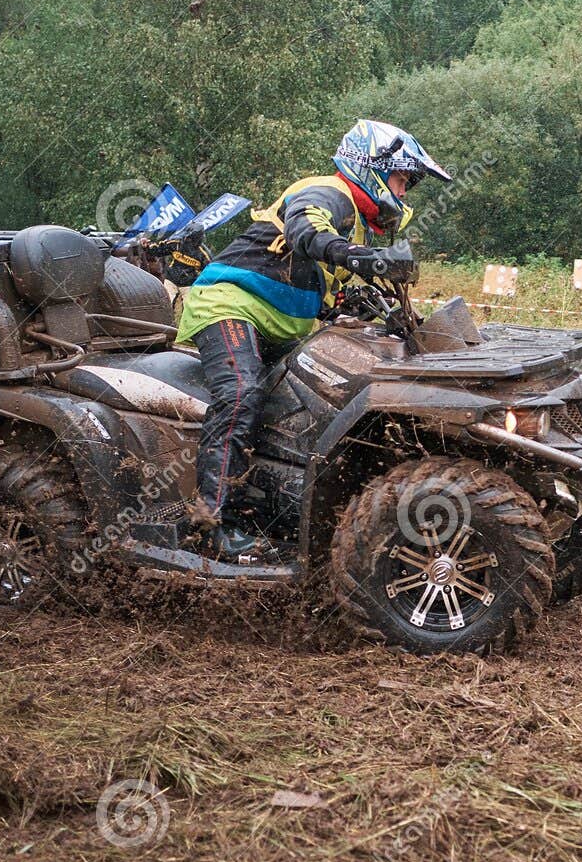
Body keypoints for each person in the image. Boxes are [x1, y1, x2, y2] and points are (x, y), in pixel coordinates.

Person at [175, 119, 450, 559]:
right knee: (241, 392)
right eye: (401, 180)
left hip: (282, 325)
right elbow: (306, 232)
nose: (402, 194)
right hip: (230, 305)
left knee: (321, 397)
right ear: (371, 166)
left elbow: (330, 287)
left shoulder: (358, 224)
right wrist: (363, 259)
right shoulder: (327, 192)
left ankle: (269, 505)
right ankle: (211, 522)